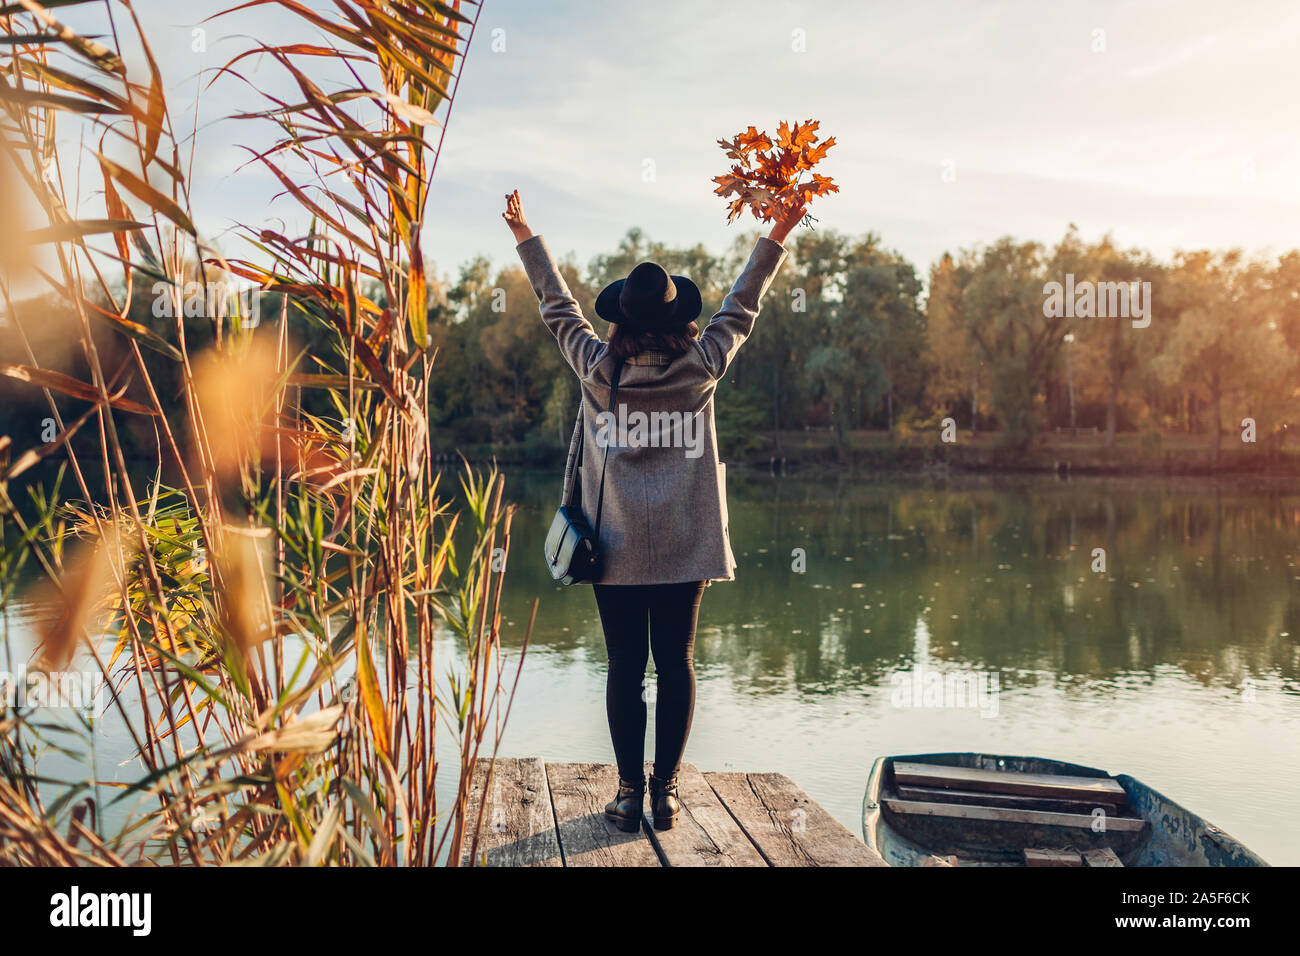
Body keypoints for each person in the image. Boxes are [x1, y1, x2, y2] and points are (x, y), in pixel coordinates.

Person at [503, 189, 801, 830]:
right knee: (676, 663)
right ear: (678, 322)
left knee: (625, 669)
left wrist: (526, 233)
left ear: (620, 321)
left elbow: (558, 309)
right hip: (686, 547)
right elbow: (742, 305)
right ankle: (665, 794)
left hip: (612, 548)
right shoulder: (701, 366)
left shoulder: (596, 368)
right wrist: (779, 227)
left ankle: (629, 793)